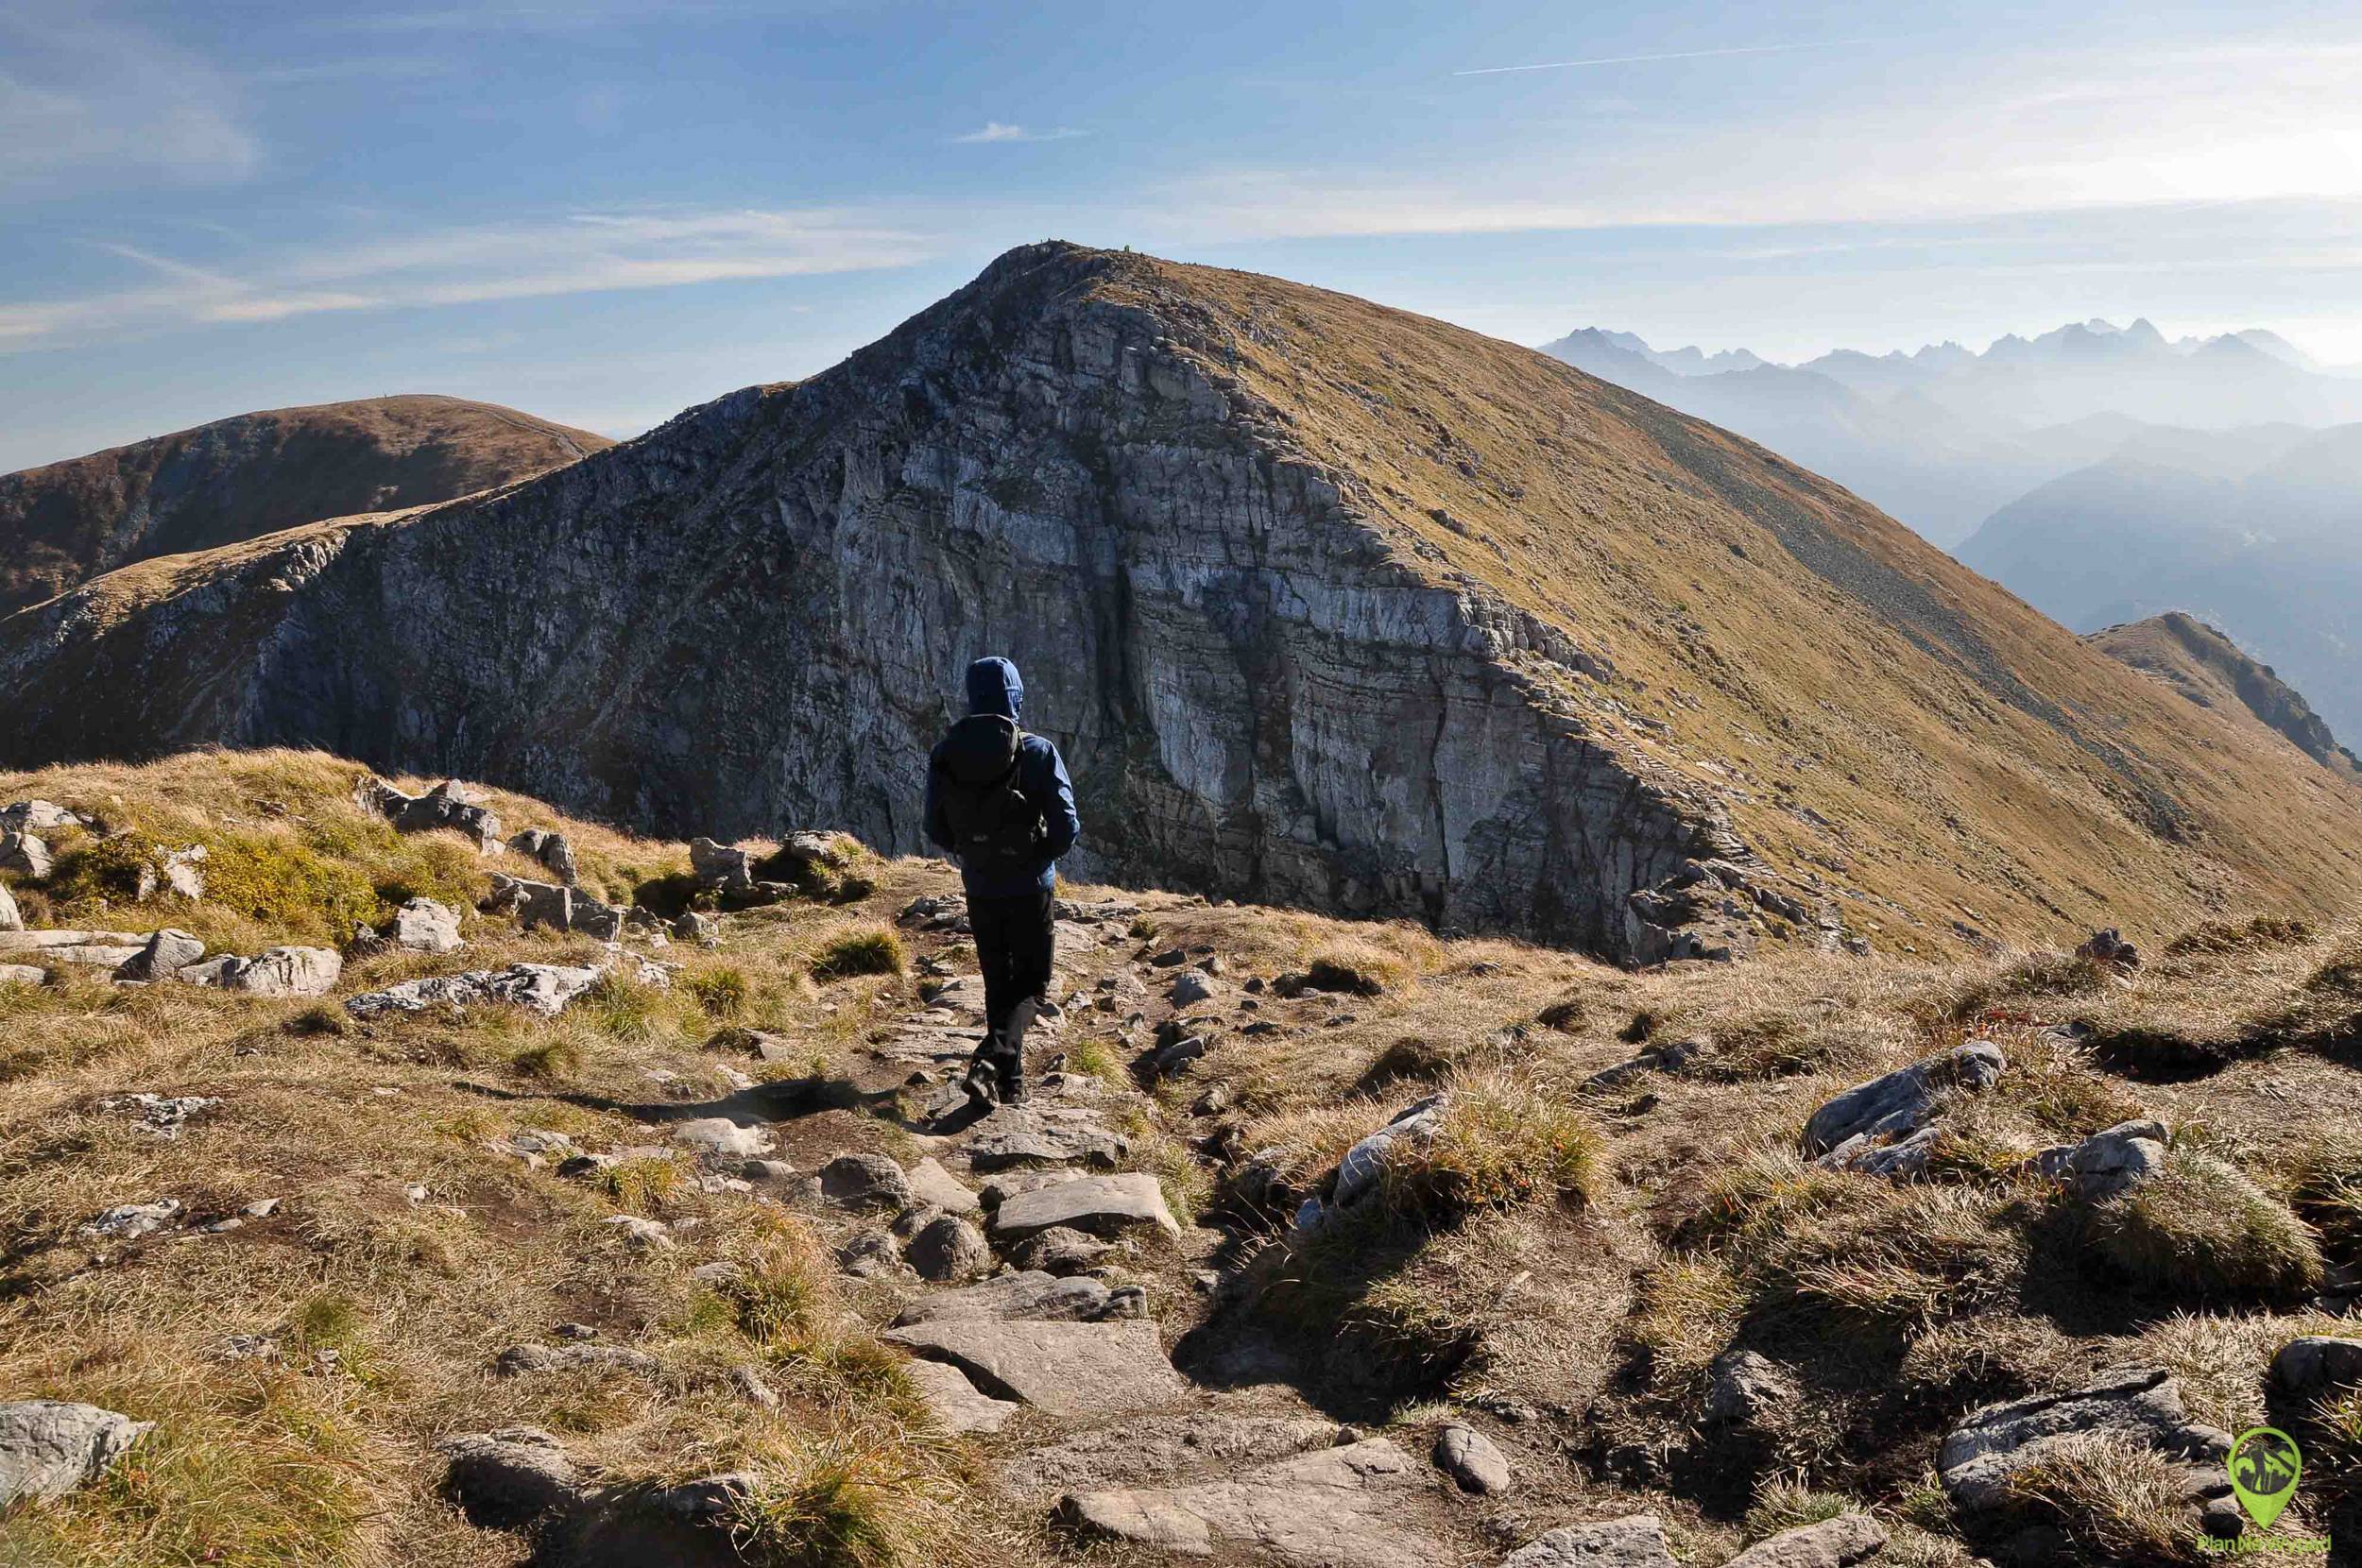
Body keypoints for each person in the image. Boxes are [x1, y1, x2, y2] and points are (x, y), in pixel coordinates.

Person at [924, 656, 1080, 1107]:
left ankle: (1010, 1084)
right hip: (1030, 886)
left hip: (980, 886)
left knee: (998, 983)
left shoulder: (945, 753)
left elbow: (935, 827)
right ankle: (990, 1062)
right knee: (1031, 987)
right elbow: (1066, 826)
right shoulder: (1038, 752)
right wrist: (1039, 857)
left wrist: (972, 853)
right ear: (1016, 698)